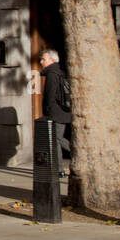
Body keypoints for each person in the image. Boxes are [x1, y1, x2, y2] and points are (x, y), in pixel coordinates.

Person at [39, 48, 73, 177]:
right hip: (63, 112)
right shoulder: (59, 71)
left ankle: (59, 169)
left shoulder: (52, 73)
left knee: (56, 139)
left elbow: (50, 96)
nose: (41, 61)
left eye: (44, 59)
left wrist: (47, 112)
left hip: (56, 112)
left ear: (52, 60)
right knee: (58, 138)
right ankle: (73, 155)